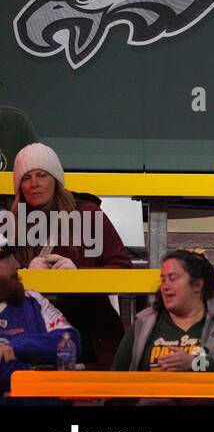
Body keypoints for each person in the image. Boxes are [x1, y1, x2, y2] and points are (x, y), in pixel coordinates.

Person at [9, 143, 131, 368]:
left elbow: (123, 269)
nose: (34, 184)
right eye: (26, 178)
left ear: (55, 179)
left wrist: (79, 275)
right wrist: (24, 275)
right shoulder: (12, 226)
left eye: (42, 175)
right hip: (36, 335)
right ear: (19, 186)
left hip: (91, 333)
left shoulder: (88, 214)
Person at [113, 249, 214, 373]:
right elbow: (118, 373)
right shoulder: (144, 321)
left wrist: (195, 364)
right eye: (163, 280)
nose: (165, 286)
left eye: (173, 278)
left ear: (197, 285)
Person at [0, 239, 80, 398]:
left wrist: (17, 346)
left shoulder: (32, 300)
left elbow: (71, 342)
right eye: (7, 258)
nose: (17, 265)